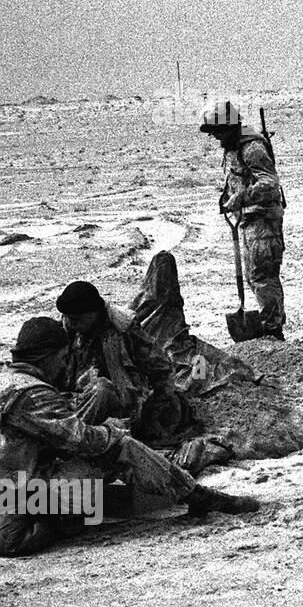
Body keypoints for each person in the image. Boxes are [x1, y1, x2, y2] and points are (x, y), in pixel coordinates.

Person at [0, 318, 257, 557]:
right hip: (17, 498)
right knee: (118, 448)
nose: (64, 364)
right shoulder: (31, 393)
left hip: (12, 485)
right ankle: (196, 495)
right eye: (62, 357)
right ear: (47, 356)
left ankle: (192, 494)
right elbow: (80, 439)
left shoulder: (7, 381)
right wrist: (113, 433)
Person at [56, 280, 188, 447]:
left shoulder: (124, 329)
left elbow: (160, 368)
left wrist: (157, 409)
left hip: (119, 402)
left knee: (101, 389)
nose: (71, 324)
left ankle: (69, 442)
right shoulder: (67, 326)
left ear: (93, 313)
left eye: (76, 319)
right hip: (76, 399)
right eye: (68, 318)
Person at [201, 99, 287, 339]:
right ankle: (269, 321)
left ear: (230, 126)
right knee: (252, 276)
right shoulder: (233, 148)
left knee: (262, 275)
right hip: (247, 220)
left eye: (218, 131)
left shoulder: (252, 148)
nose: (217, 138)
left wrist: (242, 197)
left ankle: (273, 329)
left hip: (263, 220)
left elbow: (270, 183)